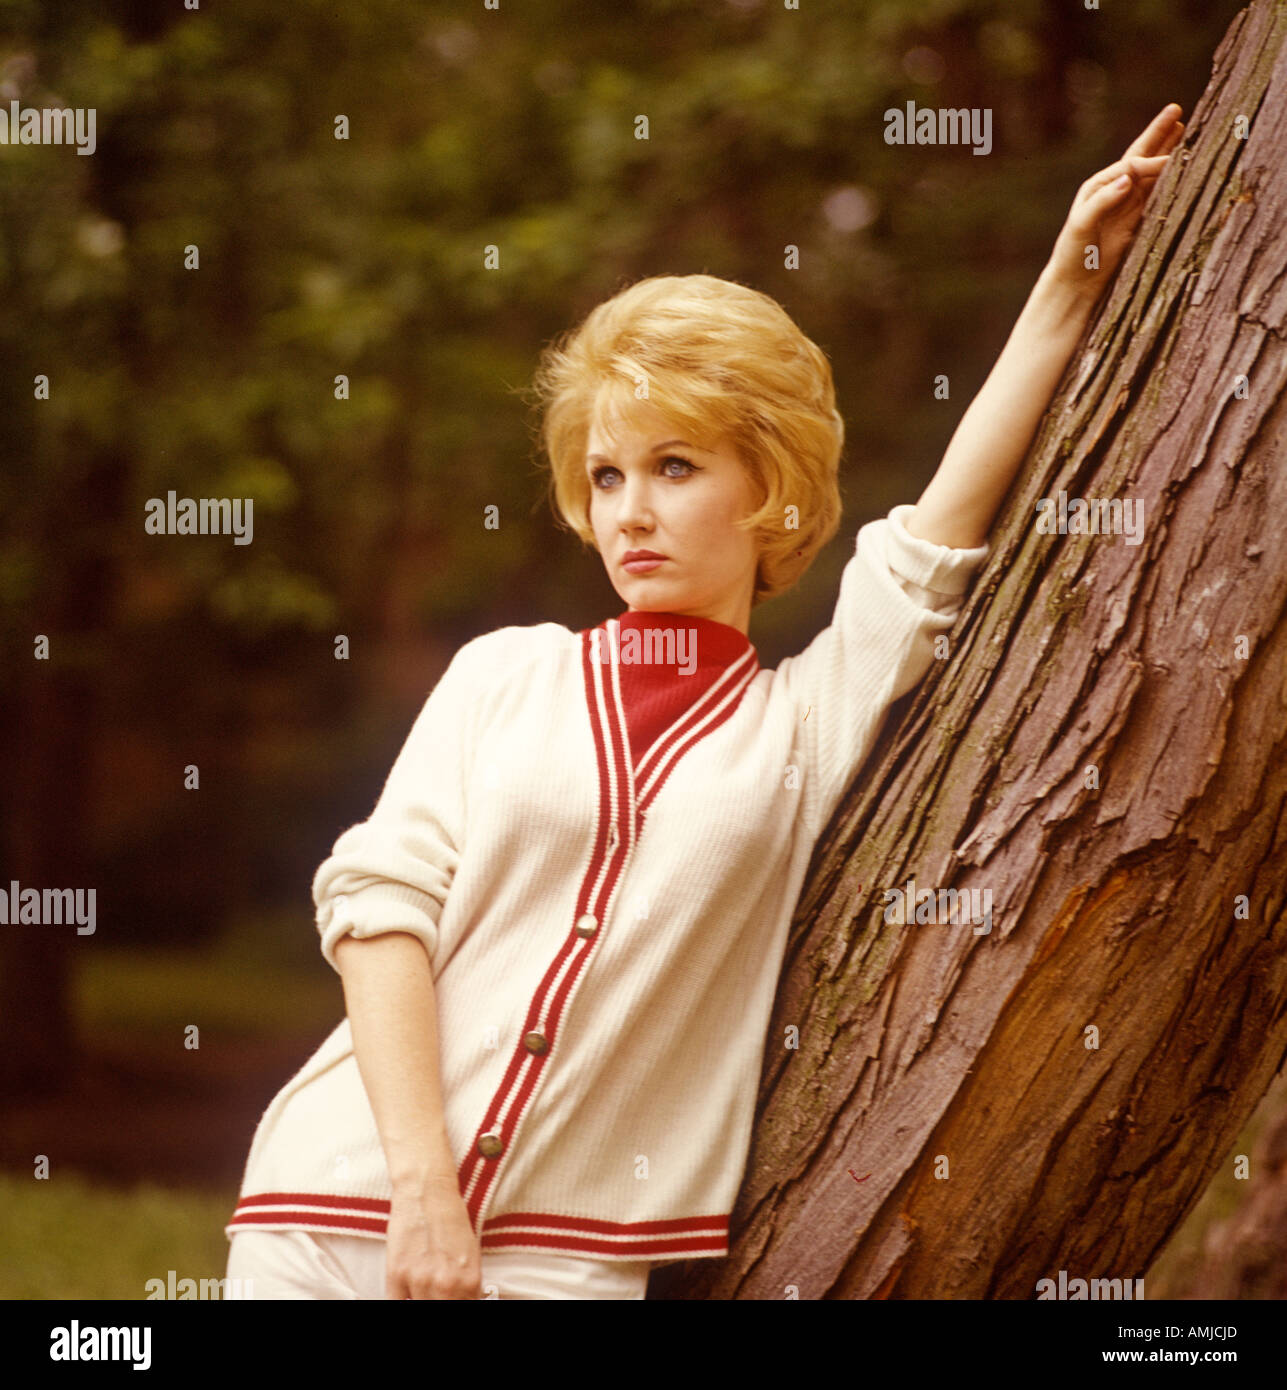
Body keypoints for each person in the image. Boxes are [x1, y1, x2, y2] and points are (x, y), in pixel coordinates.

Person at [224, 104, 1184, 1300]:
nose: (629, 508)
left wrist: (1070, 278)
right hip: (331, 1210)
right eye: (608, 473)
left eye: (676, 467)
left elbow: (935, 536)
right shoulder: (501, 674)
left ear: (769, 490)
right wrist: (423, 1187)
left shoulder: (803, 721)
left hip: (568, 1267)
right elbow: (378, 912)